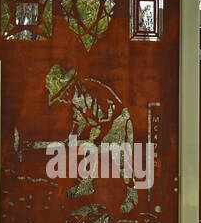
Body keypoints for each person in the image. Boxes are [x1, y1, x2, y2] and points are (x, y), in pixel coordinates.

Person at [45, 64, 138, 214]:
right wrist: (71, 139)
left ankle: (132, 195)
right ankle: (87, 185)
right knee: (88, 150)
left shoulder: (92, 94)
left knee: (120, 159)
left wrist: (95, 140)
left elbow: (107, 122)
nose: (61, 100)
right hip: (101, 125)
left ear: (69, 88)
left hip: (118, 122)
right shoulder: (76, 100)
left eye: (61, 96)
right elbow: (79, 121)